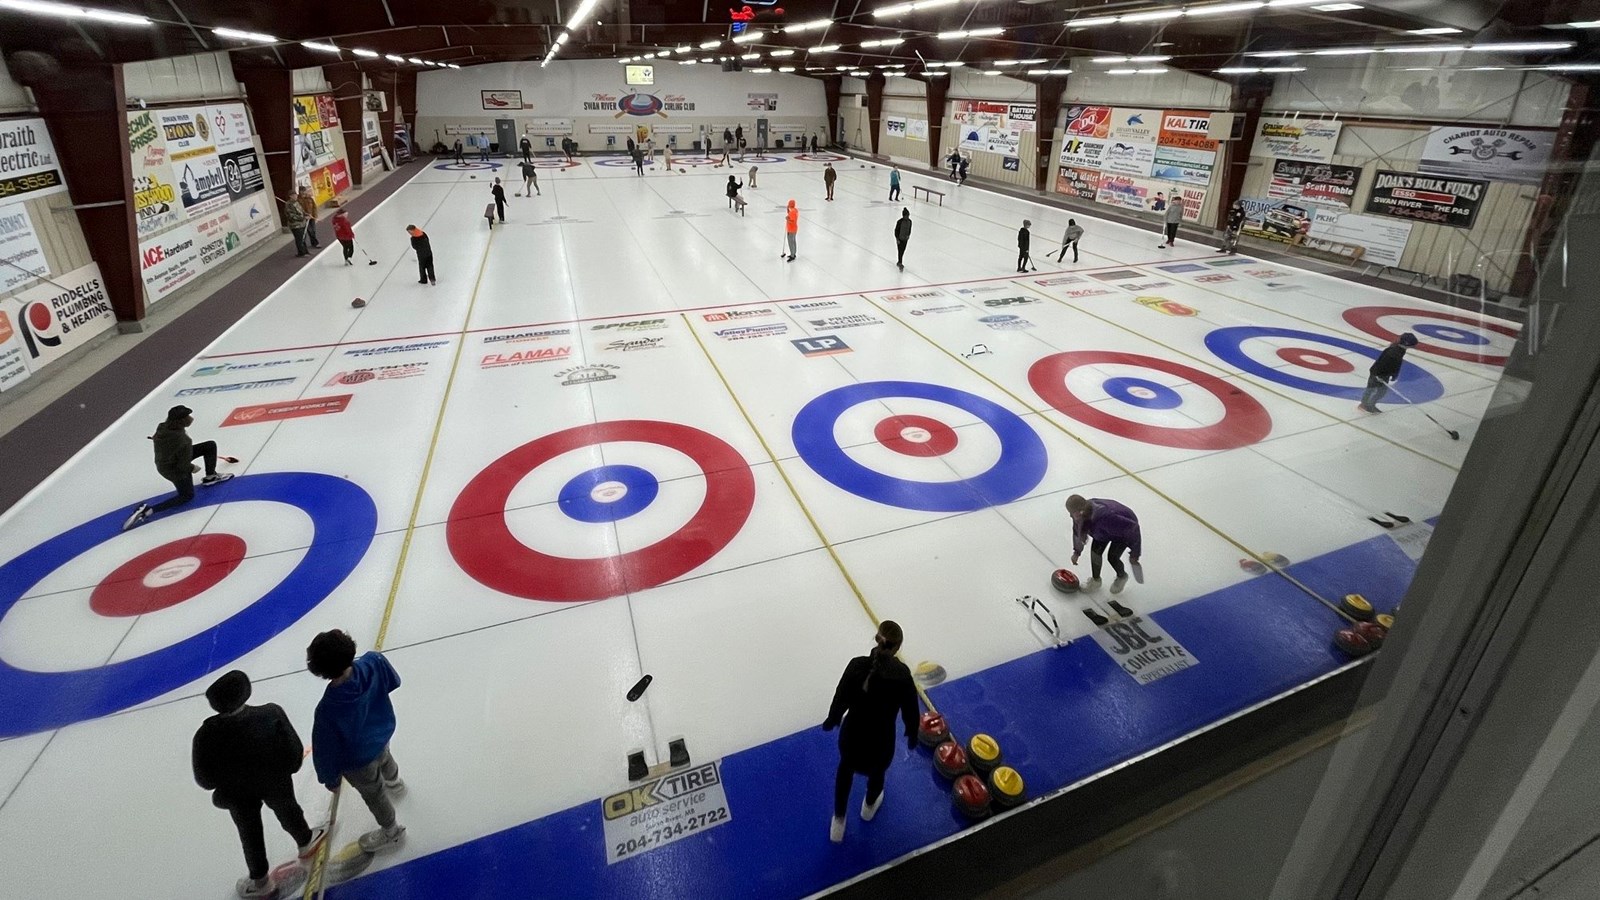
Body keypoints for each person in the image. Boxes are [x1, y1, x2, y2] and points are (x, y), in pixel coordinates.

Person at [193, 670, 327, 899]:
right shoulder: (271, 713)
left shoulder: (204, 736)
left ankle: (260, 880)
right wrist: (287, 768)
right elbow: (294, 753)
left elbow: (204, 779)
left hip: (236, 794)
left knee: (249, 833)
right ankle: (305, 840)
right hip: (275, 780)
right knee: (288, 810)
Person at [307, 630, 407, 855]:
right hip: (381, 733)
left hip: (358, 760)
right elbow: (393, 681)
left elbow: (325, 751)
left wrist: (330, 778)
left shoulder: (327, 710)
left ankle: (391, 831)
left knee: (374, 793)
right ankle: (395, 782)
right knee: (386, 758)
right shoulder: (373, 661)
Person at [823, 620, 919, 844]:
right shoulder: (902, 676)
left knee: (845, 771)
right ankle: (868, 807)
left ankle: (838, 821)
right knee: (877, 774)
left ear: (877, 639)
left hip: (851, 738)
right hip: (881, 743)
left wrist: (833, 718)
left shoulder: (857, 666)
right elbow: (910, 710)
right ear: (897, 648)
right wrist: (912, 733)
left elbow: (841, 697)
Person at [122, 405, 235, 530]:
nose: (190, 418)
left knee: (209, 446)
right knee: (186, 496)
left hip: (165, 461)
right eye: (187, 417)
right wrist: (193, 468)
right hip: (173, 469)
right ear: (181, 421)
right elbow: (183, 465)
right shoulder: (184, 441)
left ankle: (211, 476)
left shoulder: (162, 426)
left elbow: (159, 437)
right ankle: (148, 510)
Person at [1066, 494, 1142, 604]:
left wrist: (1135, 554)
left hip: (1121, 532)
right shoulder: (1078, 516)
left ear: (1081, 510)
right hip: (1102, 531)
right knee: (1095, 553)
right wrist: (1077, 552)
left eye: (1074, 513)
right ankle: (1096, 581)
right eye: (1071, 513)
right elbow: (1077, 532)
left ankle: (1122, 576)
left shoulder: (1105, 516)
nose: (1072, 516)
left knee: (1112, 557)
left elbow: (1133, 528)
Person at [1359, 333, 1418, 413]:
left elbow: (1396, 364)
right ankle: (1364, 404)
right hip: (1378, 374)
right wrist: (1378, 375)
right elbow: (1382, 363)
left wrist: (1394, 374)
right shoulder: (1393, 352)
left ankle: (1371, 404)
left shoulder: (1401, 350)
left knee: (1381, 392)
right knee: (1371, 389)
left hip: (1385, 374)